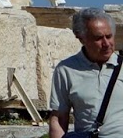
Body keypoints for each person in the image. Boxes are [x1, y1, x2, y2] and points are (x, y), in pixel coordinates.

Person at [50, 8, 121, 138]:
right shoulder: (66, 70)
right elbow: (59, 118)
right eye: (98, 38)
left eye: (109, 36)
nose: (106, 44)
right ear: (81, 38)